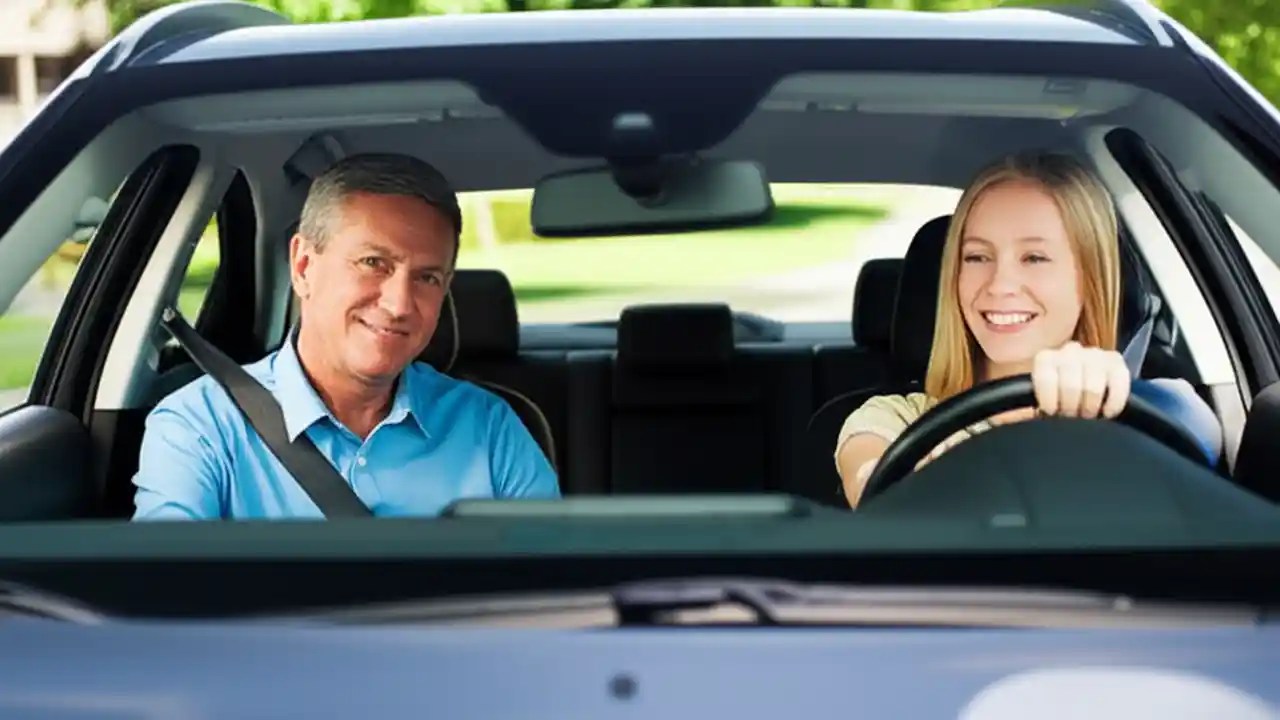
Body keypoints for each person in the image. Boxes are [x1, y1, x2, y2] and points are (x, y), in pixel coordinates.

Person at [133, 153, 560, 520]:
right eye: (373, 262)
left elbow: (554, 593)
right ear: (303, 267)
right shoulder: (201, 427)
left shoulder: (489, 427)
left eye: (427, 277)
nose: (399, 304)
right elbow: (160, 599)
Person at [834, 151, 1221, 508]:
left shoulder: (1134, 409)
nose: (1000, 284)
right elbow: (870, 484)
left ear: (1090, 279)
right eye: (977, 257)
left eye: (1034, 257)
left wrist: (1120, 398)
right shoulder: (893, 420)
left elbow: (1200, 430)